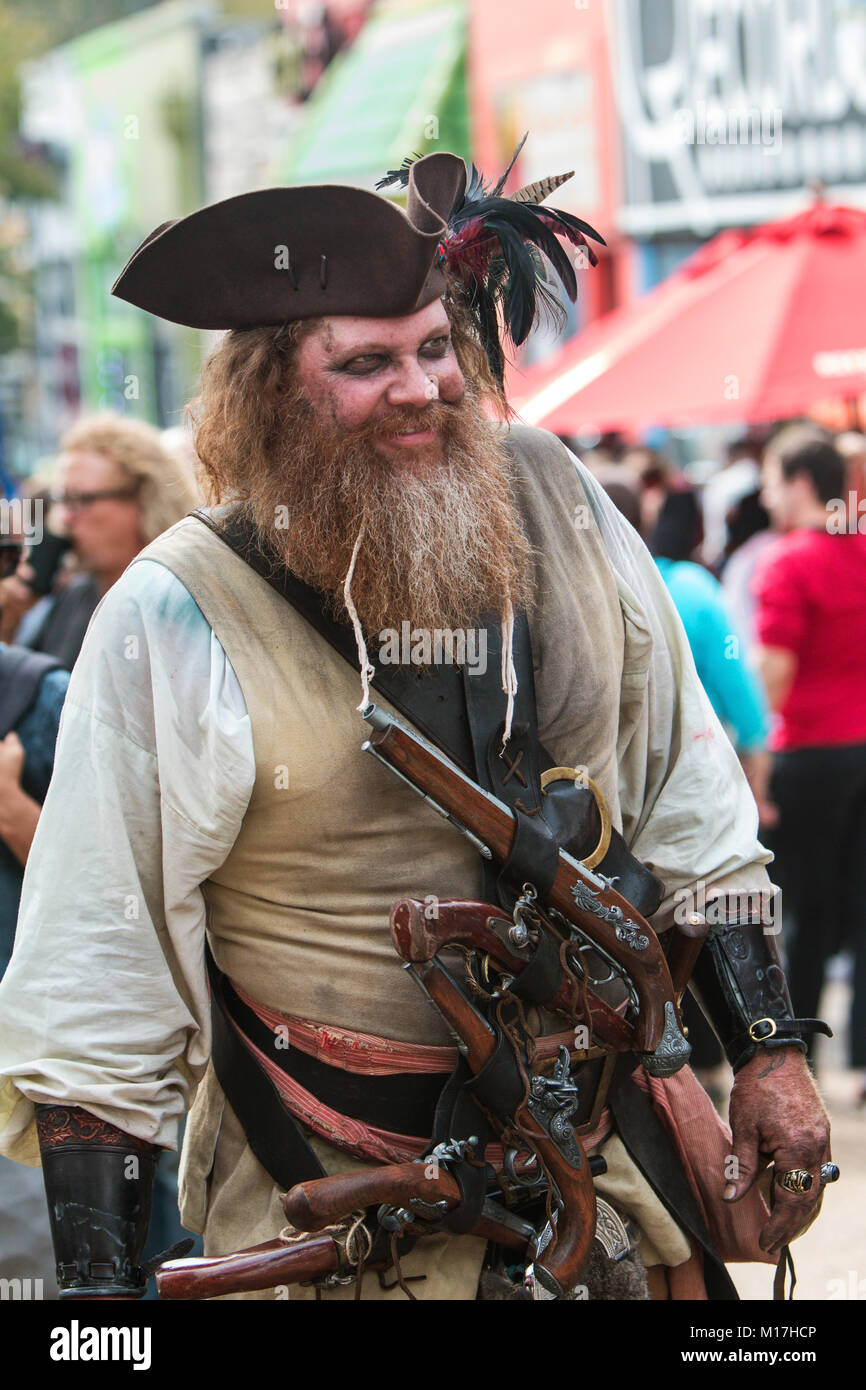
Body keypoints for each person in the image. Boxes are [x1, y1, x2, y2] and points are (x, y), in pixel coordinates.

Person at [0, 149, 832, 1302]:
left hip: (601, 1191)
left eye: (436, 348)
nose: (419, 389)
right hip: (333, 1221)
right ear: (270, 394)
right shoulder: (173, 608)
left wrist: (772, 1054)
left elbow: (692, 802)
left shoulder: (554, 496)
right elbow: (98, 978)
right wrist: (94, 1300)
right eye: (364, 363)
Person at [754, 425, 866, 1094]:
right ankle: (860, 1061)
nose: (767, 496)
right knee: (860, 905)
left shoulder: (789, 561)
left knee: (801, 914)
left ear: (798, 484)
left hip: (808, 753)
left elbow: (773, 671)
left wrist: (749, 749)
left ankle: (801, 1057)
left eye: (771, 481)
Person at [8, 414, 200, 670]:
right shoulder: (74, 598)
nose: (64, 518)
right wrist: (10, 621)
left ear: (144, 500)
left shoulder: (185, 607)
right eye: (62, 499)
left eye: (80, 500)